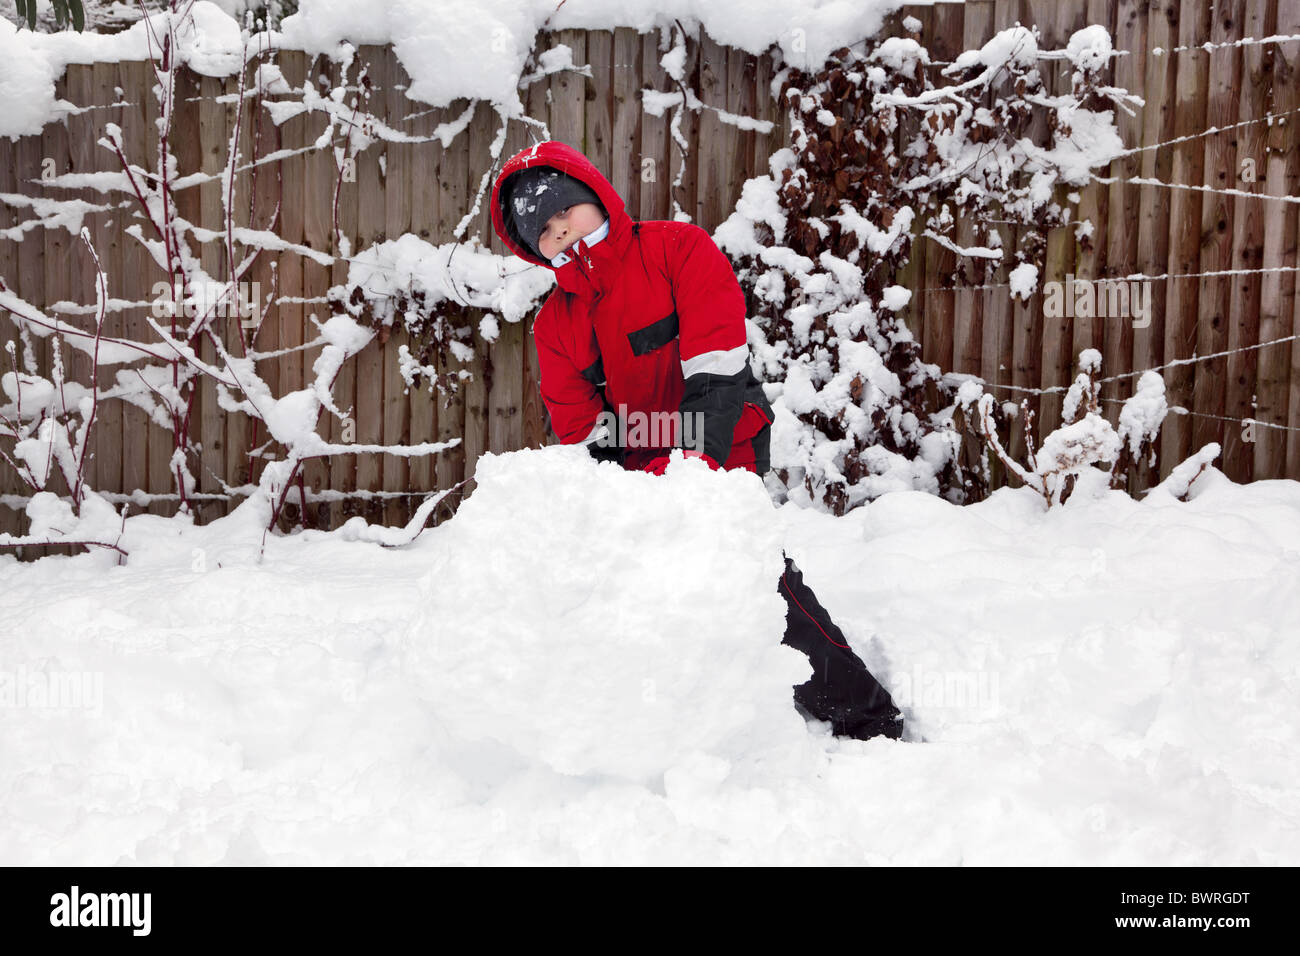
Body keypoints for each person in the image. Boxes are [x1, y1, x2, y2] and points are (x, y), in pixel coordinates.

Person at [490, 140, 903, 742]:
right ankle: (681, 719)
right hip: (633, 460)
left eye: (567, 214)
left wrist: (686, 470)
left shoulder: (677, 249)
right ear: (535, 251)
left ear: (596, 197)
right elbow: (582, 427)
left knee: (754, 580)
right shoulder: (556, 323)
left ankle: (867, 718)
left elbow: (716, 373)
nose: (564, 234)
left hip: (724, 436)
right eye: (547, 234)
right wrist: (622, 494)